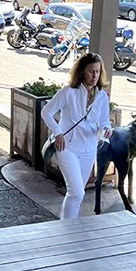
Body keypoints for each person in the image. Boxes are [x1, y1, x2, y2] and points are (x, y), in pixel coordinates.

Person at [41, 52, 112, 220]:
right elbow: (46, 112)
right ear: (81, 72)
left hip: (89, 149)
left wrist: (106, 129)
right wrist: (58, 133)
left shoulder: (101, 96)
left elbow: (104, 121)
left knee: (77, 193)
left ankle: (67, 224)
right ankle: (67, 230)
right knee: (77, 192)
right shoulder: (68, 92)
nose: (95, 76)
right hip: (67, 147)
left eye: (97, 71)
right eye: (91, 71)